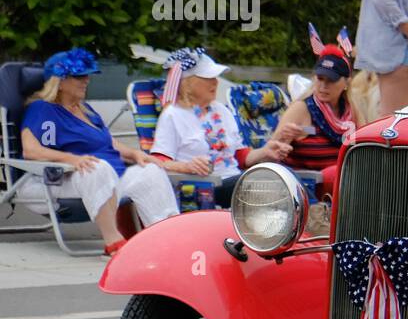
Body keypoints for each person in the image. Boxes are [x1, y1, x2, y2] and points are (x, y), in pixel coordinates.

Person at [18, 49, 179, 254]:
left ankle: (167, 239)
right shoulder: (42, 108)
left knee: (150, 171)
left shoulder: (85, 109)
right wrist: (72, 159)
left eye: (87, 75)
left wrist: (134, 154)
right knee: (97, 167)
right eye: (79, 76)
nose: (86, 80)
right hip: (59, 181)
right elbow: (30, 150)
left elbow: (108, 143)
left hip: (109, 179)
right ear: (59, 81)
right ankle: (113, 241)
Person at [151, 48, 295, 207]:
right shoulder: (173, 115)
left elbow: (238, 156)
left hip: (232, 181)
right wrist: (186, 166)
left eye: (215, 77)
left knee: (286, 175)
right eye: (208, 77)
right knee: (269, 181)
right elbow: (158, 161)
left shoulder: (220, 110)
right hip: (205, 188)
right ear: (188, 84)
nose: (215, 82)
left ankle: (314, 219)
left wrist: (265, 152)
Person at [273, 45, 356, 195]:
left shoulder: (353, 112)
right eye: (320, 78)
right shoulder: (301, 108)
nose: (323, 86)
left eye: (331, 80)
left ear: (346, 82)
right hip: (304, 189)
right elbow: (272, 150)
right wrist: (283, 138)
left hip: (344, 187)